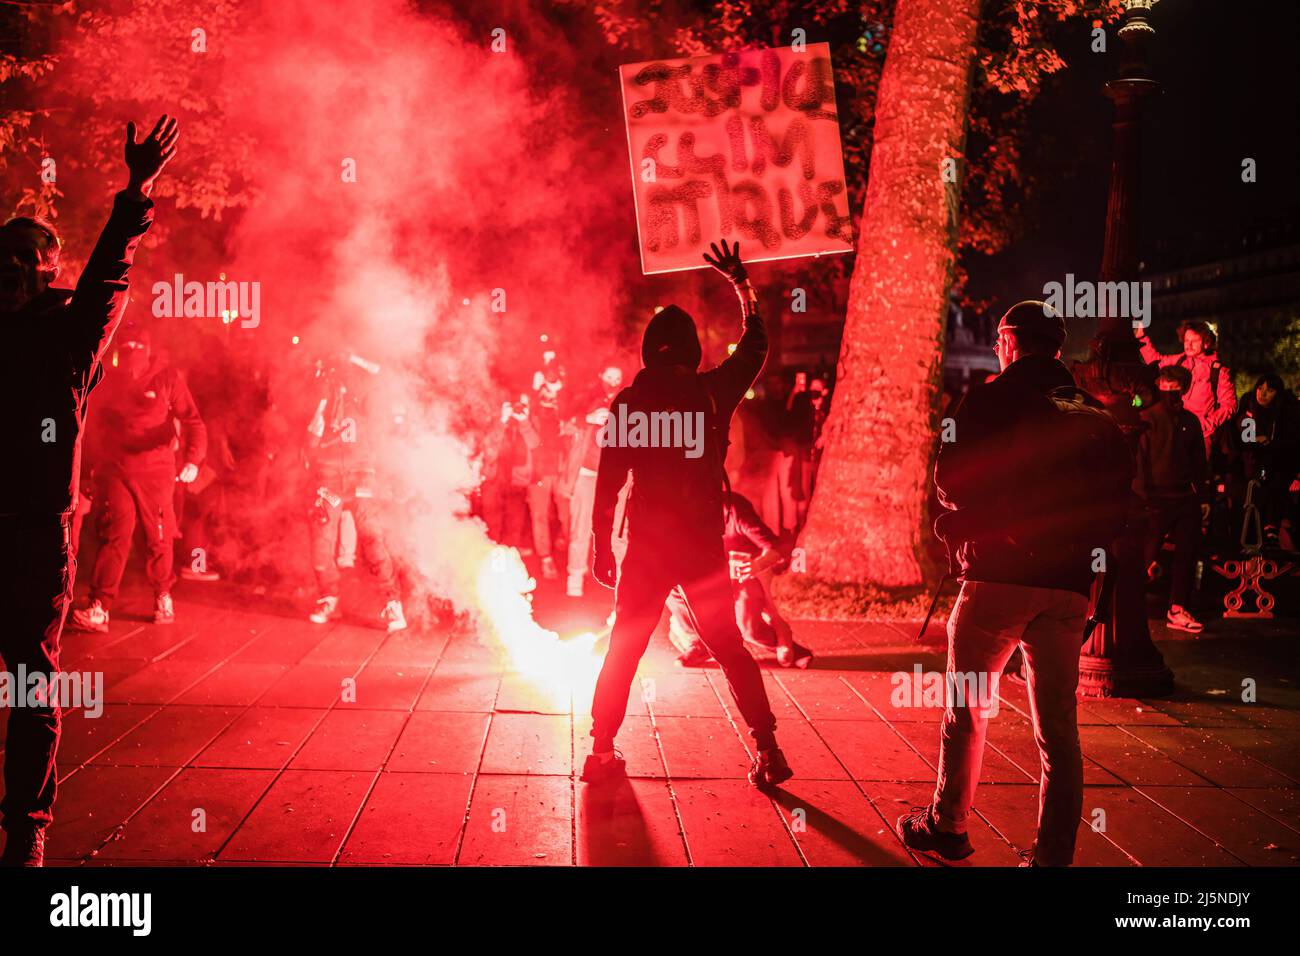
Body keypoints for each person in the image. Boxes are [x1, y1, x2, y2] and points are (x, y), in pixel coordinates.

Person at [0, 115, 177, 866]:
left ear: (45, 270)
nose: (4, 271)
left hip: (37, 534)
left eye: (19, 261)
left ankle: (27, 830)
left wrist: (134, 194)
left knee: (31, 685)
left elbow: (107, 277)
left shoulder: (65, 339)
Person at [897, 300, 1131, 867]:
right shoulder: (1095, 416)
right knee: (1058, 726)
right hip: (1069, 583)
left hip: (1000, 572)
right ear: (1057, 347)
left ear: (1008, 341)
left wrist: (969, 524)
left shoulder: (988, 399)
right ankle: (1052, 854)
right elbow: (1118, 508)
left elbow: (952, 477)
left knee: (967, 704)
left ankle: (949, 825)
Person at [583, 239, 792, 790]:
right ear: (692, 352)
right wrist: (742, 286)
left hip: (649, 543)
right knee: (728, 646)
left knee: (625, 644)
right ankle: (768, 748)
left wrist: (601, 544)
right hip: (700, 544)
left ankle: (601, 751)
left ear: (650, 352)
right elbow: (756, 346)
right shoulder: (713, 392)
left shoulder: (627, 404)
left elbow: (609, 481)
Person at [68, 324, 207, 630]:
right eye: (125, 347)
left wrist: (194, 460)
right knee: (114, 534)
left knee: (158, 536)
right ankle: (100, 606)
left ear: (147, 348)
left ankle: (162, 596)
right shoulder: (109, 379)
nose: (131, 352)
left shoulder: (167, 378)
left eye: (137, 346)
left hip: (155, 473)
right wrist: (90, 469)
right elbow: (92, 426)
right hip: (116, 469)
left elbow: (193, 421)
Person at [304, 353, 406, 633]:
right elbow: (308, 446)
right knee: (321, 545)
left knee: (372, 538)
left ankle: (392, 601)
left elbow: (384, 380)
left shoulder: (367, 392)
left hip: (362, 474)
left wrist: (357, 360)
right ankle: (328, 597)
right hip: (329, 478)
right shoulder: (319, 394)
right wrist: (314, 432)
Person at [667, 490, 812, 669]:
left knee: (749, 629)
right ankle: (696, 644)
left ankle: (793, 649)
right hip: (710, 577)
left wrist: (757, 565)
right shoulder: (684, 510)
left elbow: (775, 547)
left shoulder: (733, 508)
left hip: (744, 576)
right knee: (673, 584)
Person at [1137, 366, 1209, 633]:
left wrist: (1203, 497)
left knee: (1186, 554)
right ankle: (1126, 604)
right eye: (1165, 383)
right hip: (1157, 497)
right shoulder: (1148, 418)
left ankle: (1178, 607)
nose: (1169, 388)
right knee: (1147, 552)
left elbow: (1199, 462)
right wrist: (1144, 497)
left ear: (1183, 387)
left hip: (1184, 497)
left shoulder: (1190, 421)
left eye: (1174, 384)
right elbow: (1141, 461)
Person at [560, 365, 623, 597]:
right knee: (581, 528)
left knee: (617, 530)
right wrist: (589, 418)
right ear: (600, 376)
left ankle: (617, 581)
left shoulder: (626, 401)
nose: (613, 382)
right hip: (586, 474)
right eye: (609, 376)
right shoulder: (584, 398)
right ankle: (575, 576)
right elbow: (564, 425)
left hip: (614, 478)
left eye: (617, 378)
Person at [1134, 319, 1236, 454]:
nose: (1189, 344)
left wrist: (1206, 425)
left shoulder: (1218, 371)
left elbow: (1230, 405)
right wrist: (1141, 336)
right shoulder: (1179, 361)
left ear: (1206, 343)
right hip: (1174, 430)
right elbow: (1154, 362)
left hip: (1201, 437)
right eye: (1187, 340)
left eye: (1194, 341)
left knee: (1196, 473)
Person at [1229, 373, 1300, 550]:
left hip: (1276, 461)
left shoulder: (1285, 412)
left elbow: (1290, 442)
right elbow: (1245, 440)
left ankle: (1272, 531)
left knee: (1277, 481)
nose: (1263, 394)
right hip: (1250, 461)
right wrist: (1256, 440)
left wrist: (1272, 444)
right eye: (1260, 388)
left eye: (1269, 390)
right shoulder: (1249, 406)